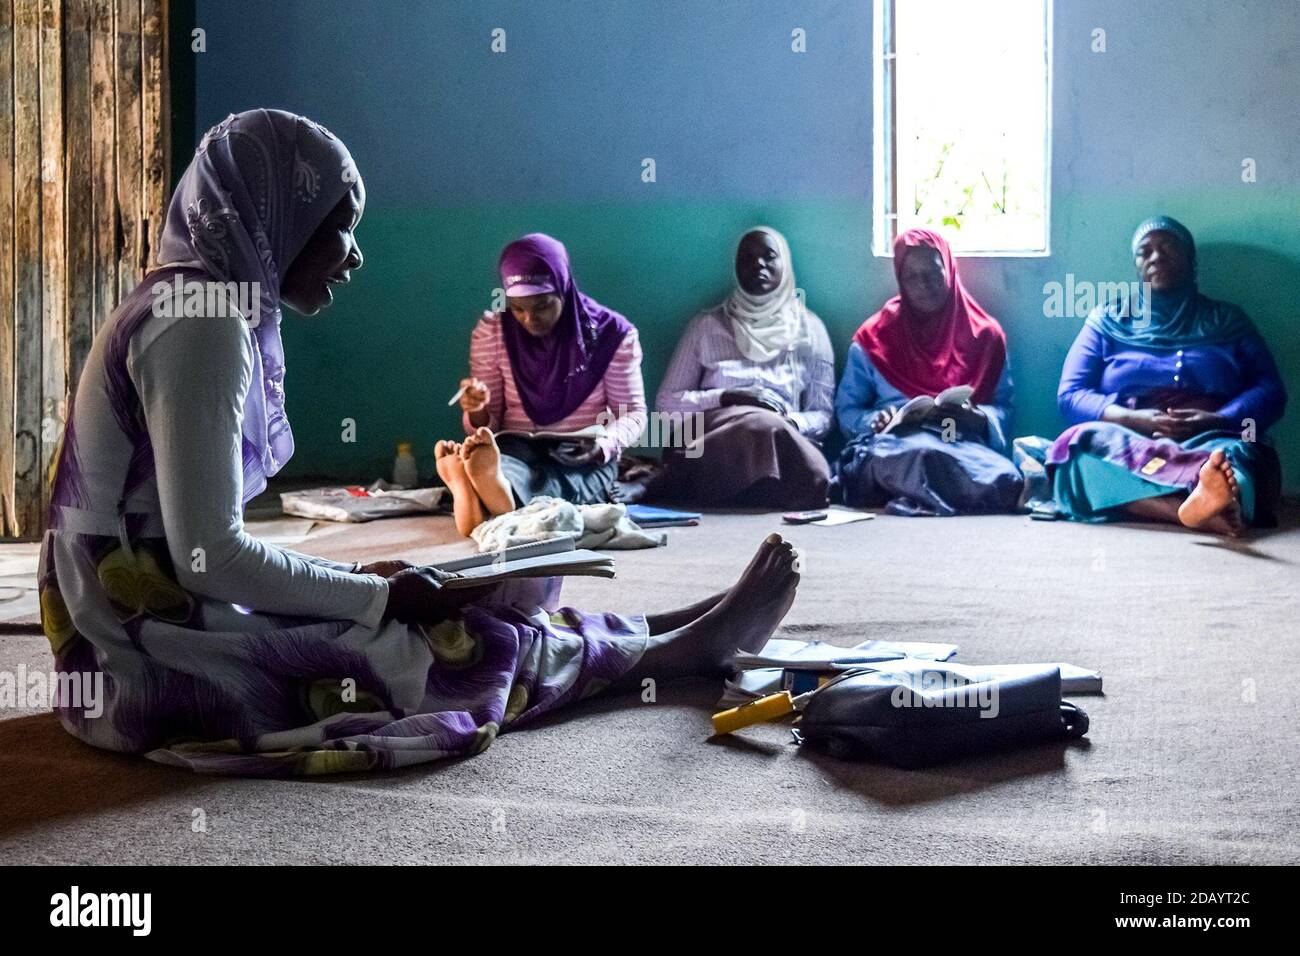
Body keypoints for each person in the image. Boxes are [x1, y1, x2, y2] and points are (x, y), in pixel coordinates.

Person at [38, 110, 802, 776]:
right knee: (418, 649)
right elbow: (213, 558)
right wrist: (376, 592)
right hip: (141, 653)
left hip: (128, 620)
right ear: (277, 215)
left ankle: (655, 632)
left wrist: (361, 585)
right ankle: (666, 657)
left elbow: (198, 549)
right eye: (340, 225)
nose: (356, 254)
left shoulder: (187, 299)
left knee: (428, 605)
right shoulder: (202, 324)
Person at [1049, 215, 1287, 534]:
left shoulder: (1227, 320)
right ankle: (1194, 510)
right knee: (1077, 449)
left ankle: (1208, 494)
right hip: (1129, 436)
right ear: (1136, 265)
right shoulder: (1107, 320)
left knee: (1232, 458)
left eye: (1168, 247)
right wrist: (1132, 419)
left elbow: (1270, 391)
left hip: (1214, 434)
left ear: (1191, 260)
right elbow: (1071, 395)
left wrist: (1219, 418)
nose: (1156, 257)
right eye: (1144, 251)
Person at [438, 233, 647, 535]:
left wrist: (604, 445)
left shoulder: (611, 334)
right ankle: (487, 486)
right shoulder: (493, 332)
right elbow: (487, 428)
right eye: (518, 308)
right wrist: (478, 410)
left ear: (563, 288)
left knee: (567, 482)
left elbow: (634, 414)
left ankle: (473, 492)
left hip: (581, 451)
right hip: (517, 445)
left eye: (542, 306)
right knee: (507, 468)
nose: (528, 319)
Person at [637, 226, 834, 509]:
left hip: (781, 443)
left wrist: (787, 423)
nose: (758, 265)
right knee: (757, 425)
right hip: (714, 439)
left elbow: (823, 415)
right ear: (736, 268)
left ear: (785, 264)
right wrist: (728, 398)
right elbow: (667, 405)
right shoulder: (706, 327)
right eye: (747, 258)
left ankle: (666, 480)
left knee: (812, 471)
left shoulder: (811, 330)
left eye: (769, 256)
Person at [832, 228, 1021, 516]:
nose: (924, 285)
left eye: (933, 273)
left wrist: (981, 420)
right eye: (912, 277)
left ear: (949, 270)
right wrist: (873, 421)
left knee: (1008, 478)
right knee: (916, 456)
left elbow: (1004, 407)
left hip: (958, 443)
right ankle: (932, 493)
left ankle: (917, 495)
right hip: (895, 444)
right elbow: (847, 410)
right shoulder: (874, 337)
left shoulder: (985, 336)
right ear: (900, 280)